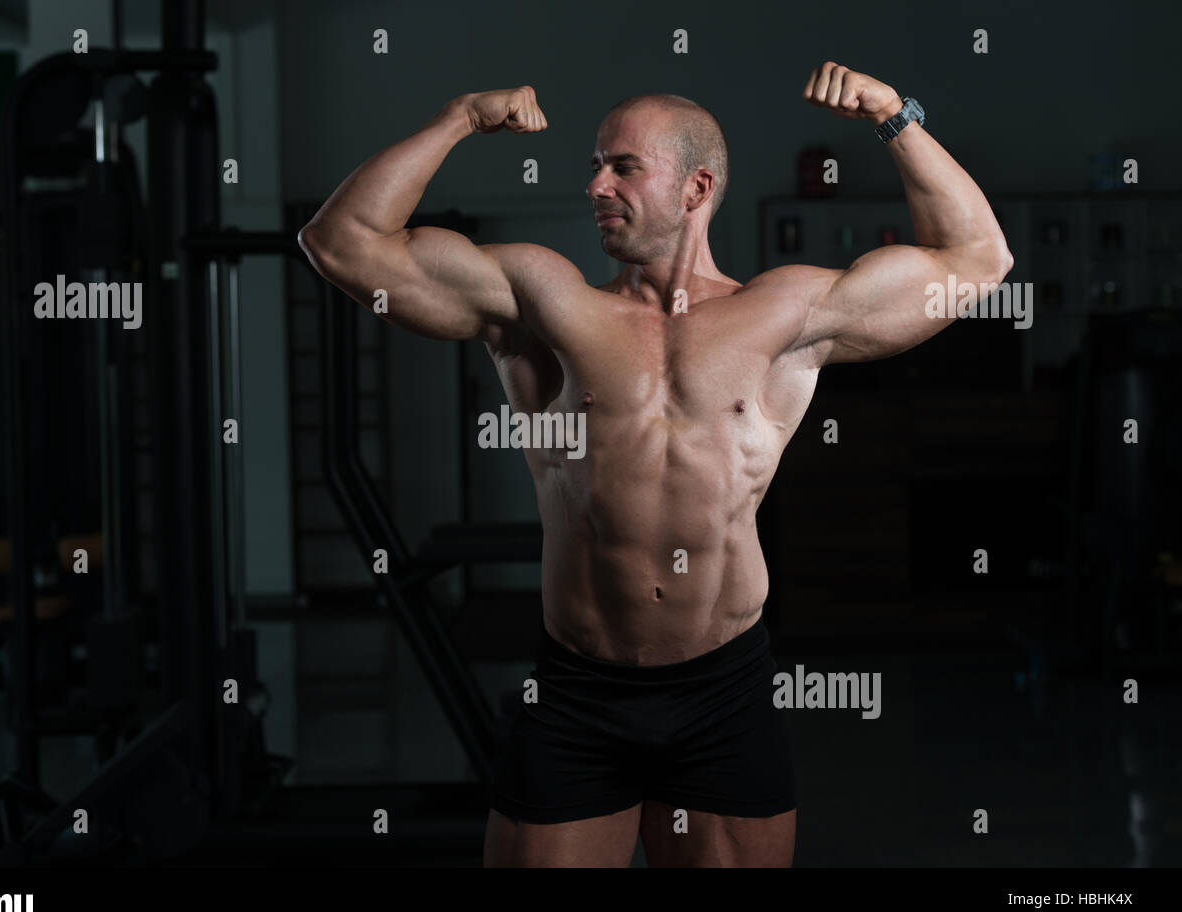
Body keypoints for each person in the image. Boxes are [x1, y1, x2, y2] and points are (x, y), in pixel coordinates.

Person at [298, 62, 1012, 866]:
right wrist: (458, 117)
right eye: (595, 166)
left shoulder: (785, 313)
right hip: (579, 693)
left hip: (724, 693)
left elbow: (978, 260)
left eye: (623, 166)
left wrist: (893, 115)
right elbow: (340, 242)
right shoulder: (545, 302)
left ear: (696, 186)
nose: (597, 184)